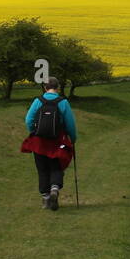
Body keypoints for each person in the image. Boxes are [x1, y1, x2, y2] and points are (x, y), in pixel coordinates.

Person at [20, 77, 77, 210]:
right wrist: (72, 138)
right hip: (57, 141)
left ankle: (46, 199)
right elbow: (70, 124)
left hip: (39, 141)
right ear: (57, 87)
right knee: (56, 167)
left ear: (45, 88)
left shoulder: (38, 101)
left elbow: (28, 119)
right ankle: (54, 189)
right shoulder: (63, 102)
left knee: (42, 169)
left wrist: (34, 131)